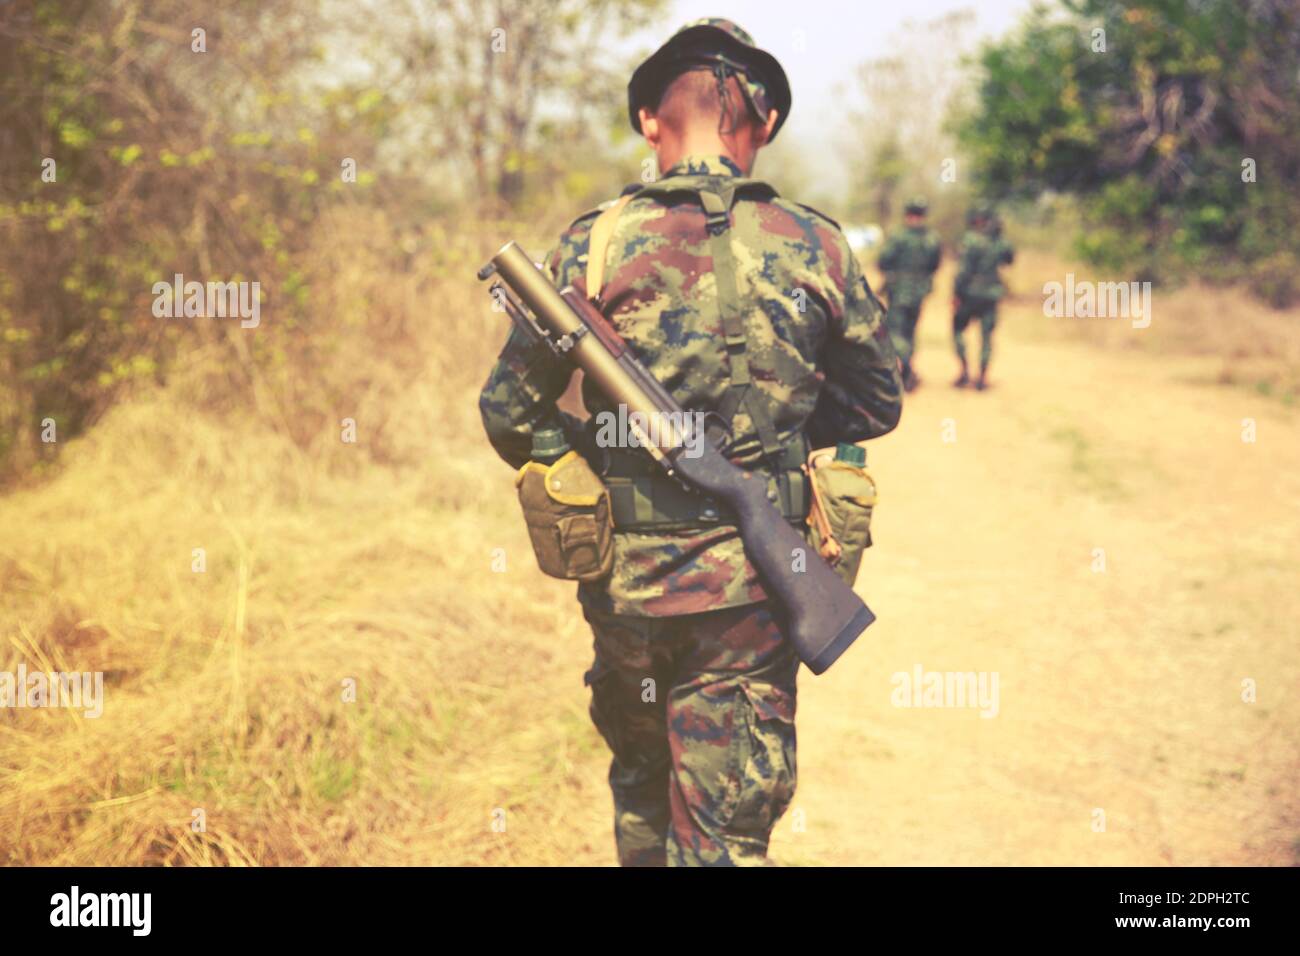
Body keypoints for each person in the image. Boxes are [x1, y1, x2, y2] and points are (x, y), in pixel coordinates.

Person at [478, 17, 902, 866]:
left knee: (642, 792)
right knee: (726, 835)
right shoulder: (819, 243)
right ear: (769, 121)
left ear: (647, 122)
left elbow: (508, 410)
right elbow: (874, 404)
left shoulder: (592, 241)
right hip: (755, 595)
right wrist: (770, 446)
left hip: (629, 590)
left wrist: (596, 447)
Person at [877, 196, 941, 392]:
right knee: (911, 331)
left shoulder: (899, 236)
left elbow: (883, 260)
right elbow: (935, 265)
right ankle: (907, 369)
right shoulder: (931, 238)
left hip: (899, 291)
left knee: (896, 332)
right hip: (919, 291)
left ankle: (905, 371)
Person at [952, 204, 1014, 390]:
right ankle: (982, 377)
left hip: (969, 294)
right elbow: (1009, 260)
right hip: (991, 295)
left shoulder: (970, 240)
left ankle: (964, 372)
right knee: (987, 337)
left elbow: (963, 271)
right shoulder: (999, 242)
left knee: (958, 330)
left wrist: (956, 293)